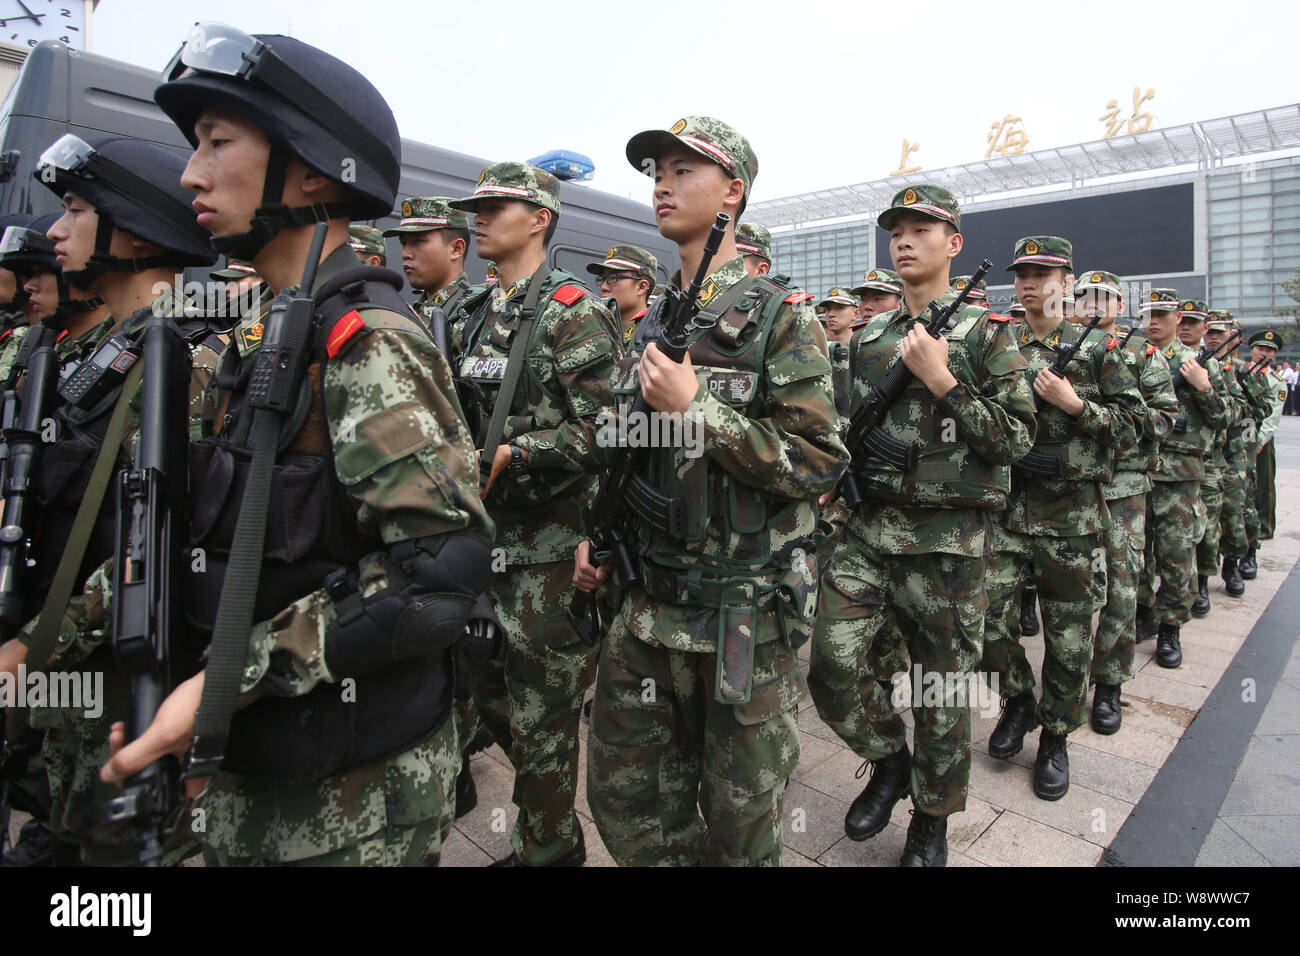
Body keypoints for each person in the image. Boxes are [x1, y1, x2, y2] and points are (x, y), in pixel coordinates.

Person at [100, 25, 496, 867]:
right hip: (266, 772)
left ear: (312, 168)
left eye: (218, 142)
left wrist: (223, 683)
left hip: (349, 806)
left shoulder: (368, 343)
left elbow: (434, 583)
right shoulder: (264, 337)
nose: (189, 174)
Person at [576, 115, 845, 867]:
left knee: (741, 822)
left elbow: (821, 462)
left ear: (733, 192)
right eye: (656, 169)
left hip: (740, 619)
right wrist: (597, 532)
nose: (661, 182)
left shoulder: (781, 321)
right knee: (627, 803)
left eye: (682, 169)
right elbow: (631, 444)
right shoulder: (657, 314)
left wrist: (703, 410)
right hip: (645, 606)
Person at [810, 185, 1034, 865]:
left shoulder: (989, 335)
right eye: (897, 230)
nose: (904, 240)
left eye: (921, 229)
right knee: (831, 666)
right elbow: (844, 425)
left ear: (953, 245)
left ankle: (932, 820)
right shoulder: (869, 336)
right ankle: (888, 759)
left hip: (949, 544)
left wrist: (945, 382)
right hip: (868, 532)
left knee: (939, 687)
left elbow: (1018, 440)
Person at [449, 160, 619, 867]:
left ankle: (548, 850)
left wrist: (516, 454)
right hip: (480, 544)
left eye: (495, 207)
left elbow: (608, 431)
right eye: (475, 206)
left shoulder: (575, 310)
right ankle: (551, 828)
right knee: (490, 701)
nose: (477, 218)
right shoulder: (472, 312)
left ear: (540, 218)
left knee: (544, 718)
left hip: (547, 553)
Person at [980, 236, 1142, 801]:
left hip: (1072, 519)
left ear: (1066, 282)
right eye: (1022, 272)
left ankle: (1055, 735)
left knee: (1070, 639)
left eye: (1042, 273)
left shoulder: (1098, 348)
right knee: (985, 625)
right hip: (1002, 512)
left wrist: (1077, 406)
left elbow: (1135, 426)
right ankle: (1019, 699)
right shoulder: (998, 341)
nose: (1029, 283)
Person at [1074, 271, 1176, 734]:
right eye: (1085, 298)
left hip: (1122, 488)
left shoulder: (1141, 355)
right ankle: (1065, 685)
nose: (1094, 306)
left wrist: (1103, 419)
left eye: (1104, 299)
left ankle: (1110, 682)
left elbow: (1165, 418)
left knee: (1120, 587)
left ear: (1119, 306)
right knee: (1069, 592)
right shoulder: (1061, 350)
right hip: (1068, 487)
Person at [1133, 290, 1229, 669]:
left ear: (1178, 319)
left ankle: (1171, 625)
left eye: (1162, 314)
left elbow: (1226, 416)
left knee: (1175, 554)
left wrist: (1203, 387)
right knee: (1136, 553)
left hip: (1180, 475)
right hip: (1138, 470)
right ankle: (1143, 612)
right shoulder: (1131, 355)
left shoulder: (1197, 362)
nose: (1154, 321)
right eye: (1149, 315)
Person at [382, 196, 480, 364]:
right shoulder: (411, 311)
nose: (405, 253)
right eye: (404, 244)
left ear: (456, 249)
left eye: (418, 242)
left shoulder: (474, 314)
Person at [1196, 310, 1250, 610]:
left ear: (1232, 333)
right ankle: (1203, 580)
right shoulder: (1202, 362)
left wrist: (1246, 448)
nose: (1214, 336)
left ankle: (1232, 562)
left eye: (1220, 331)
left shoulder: (1233, 368)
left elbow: (1243, 412)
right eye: (1211, 331)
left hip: (1232, 453)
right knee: (1206, 523)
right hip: (1206, 455)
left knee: (1232, 512)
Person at [1250, 330, 1287, 543]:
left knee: (1264, 483)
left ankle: (1265, 524)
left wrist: (1261, 440)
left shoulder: (1276, 381)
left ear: (1274, 355)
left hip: (1262, 436)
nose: (1264, 353)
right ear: (1252, 350)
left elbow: (1273, 415)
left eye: (1269, 351)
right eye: (1261, 348)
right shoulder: (1239, 372)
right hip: (1241, 433)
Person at [586, 244, 658, 348]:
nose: (603, 287)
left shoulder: (656, 334)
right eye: (602, 278)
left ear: (641, 287)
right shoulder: (594, 326)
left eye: (613, 278)